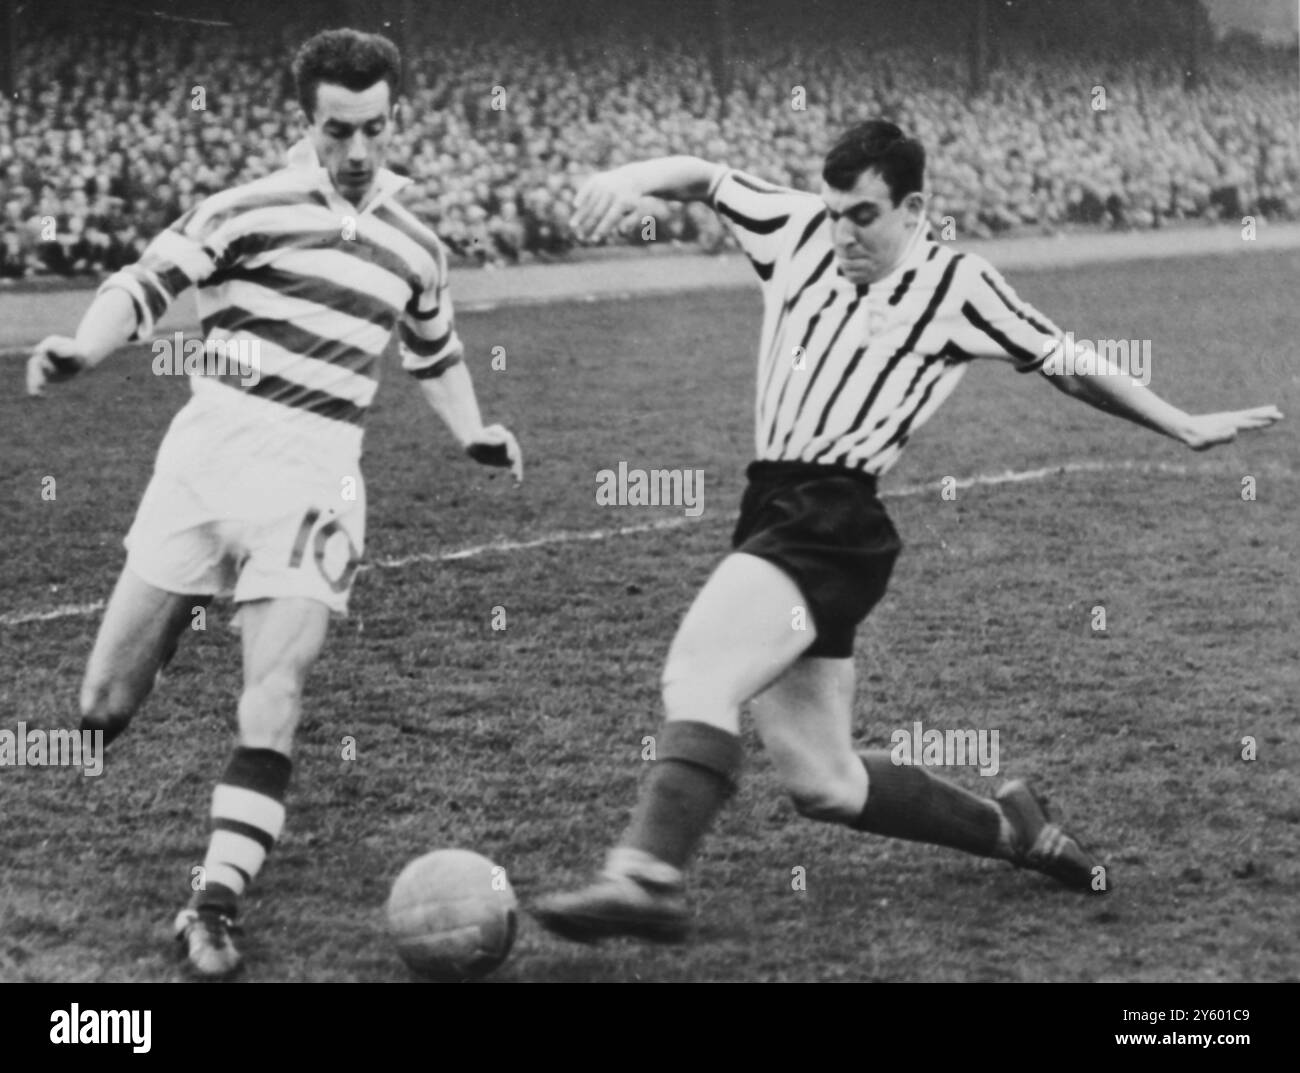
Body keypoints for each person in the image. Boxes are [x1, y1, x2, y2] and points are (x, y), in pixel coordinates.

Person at [534, 119, 1283, 943]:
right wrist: (629, 175)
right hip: (775, 508)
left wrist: (1181, 422)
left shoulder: (958, 284)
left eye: (861, 215)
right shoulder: (792, 229)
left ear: (914, 207)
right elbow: (709, 177)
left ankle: (647, 876)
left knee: (698, 673)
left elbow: (1064, 360)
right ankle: (1016, 831)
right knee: (825, 780)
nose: (840, 231)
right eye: (832, 212)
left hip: (832, 518)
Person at [26, 28, 522, 977]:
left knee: (276, 692)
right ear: (308, 120)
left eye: (375, 128)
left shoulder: (416, 243)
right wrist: (85, 349)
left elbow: (436, 349)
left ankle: (212, 907)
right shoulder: (245, 207)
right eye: (339, 130)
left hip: (319, 477)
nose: (359, 151)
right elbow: (143, 285)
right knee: (100, 708)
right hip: (209, 456)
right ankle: (152, 650)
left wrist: (472, 430)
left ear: (393, 116)